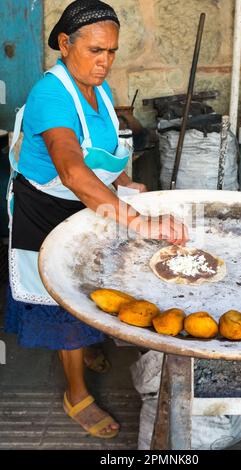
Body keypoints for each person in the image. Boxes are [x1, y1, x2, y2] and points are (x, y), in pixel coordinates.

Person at [5, 0, 188, 439]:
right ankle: (75, 392)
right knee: (64, 304)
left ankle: (85, 346)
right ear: (65, 44)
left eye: (111, 52)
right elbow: (70, 169)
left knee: (96, 285)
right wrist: (140, 223)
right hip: (48, 210)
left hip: (91, 204)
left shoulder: (98, 88)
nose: (105, 62)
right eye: (95, 51)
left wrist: (124, 182)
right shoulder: (51, 94)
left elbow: (103, 148)